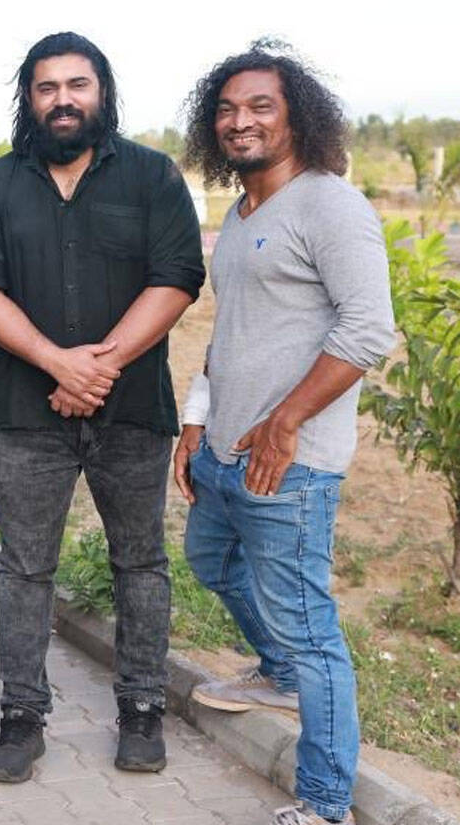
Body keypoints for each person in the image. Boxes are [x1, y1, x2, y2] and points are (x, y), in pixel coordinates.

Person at [0, 32, 205, 783]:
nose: (63, 100)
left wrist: (97, 368)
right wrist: (56, 362)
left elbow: (178, 276)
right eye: (47, 87)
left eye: (77, 84)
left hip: (132, 411)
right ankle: (21, 719)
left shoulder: (153, 176)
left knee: (141, 563)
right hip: (26, 416)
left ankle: (143, 711)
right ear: (28, 99)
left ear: (102, 92)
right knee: (25, 569)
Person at [174, 41, 394, 825]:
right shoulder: (242, 215)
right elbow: (231, 331)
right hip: (226, 450)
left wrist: (286, 421)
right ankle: (279, 676)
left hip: (290, 463)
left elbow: (369, 330)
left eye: (260, 106)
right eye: (227, 109)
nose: (241, 121)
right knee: (210, 561)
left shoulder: (330, 205)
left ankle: (327, 803)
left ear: (296, 116)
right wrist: (194, 422)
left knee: (311, 631)